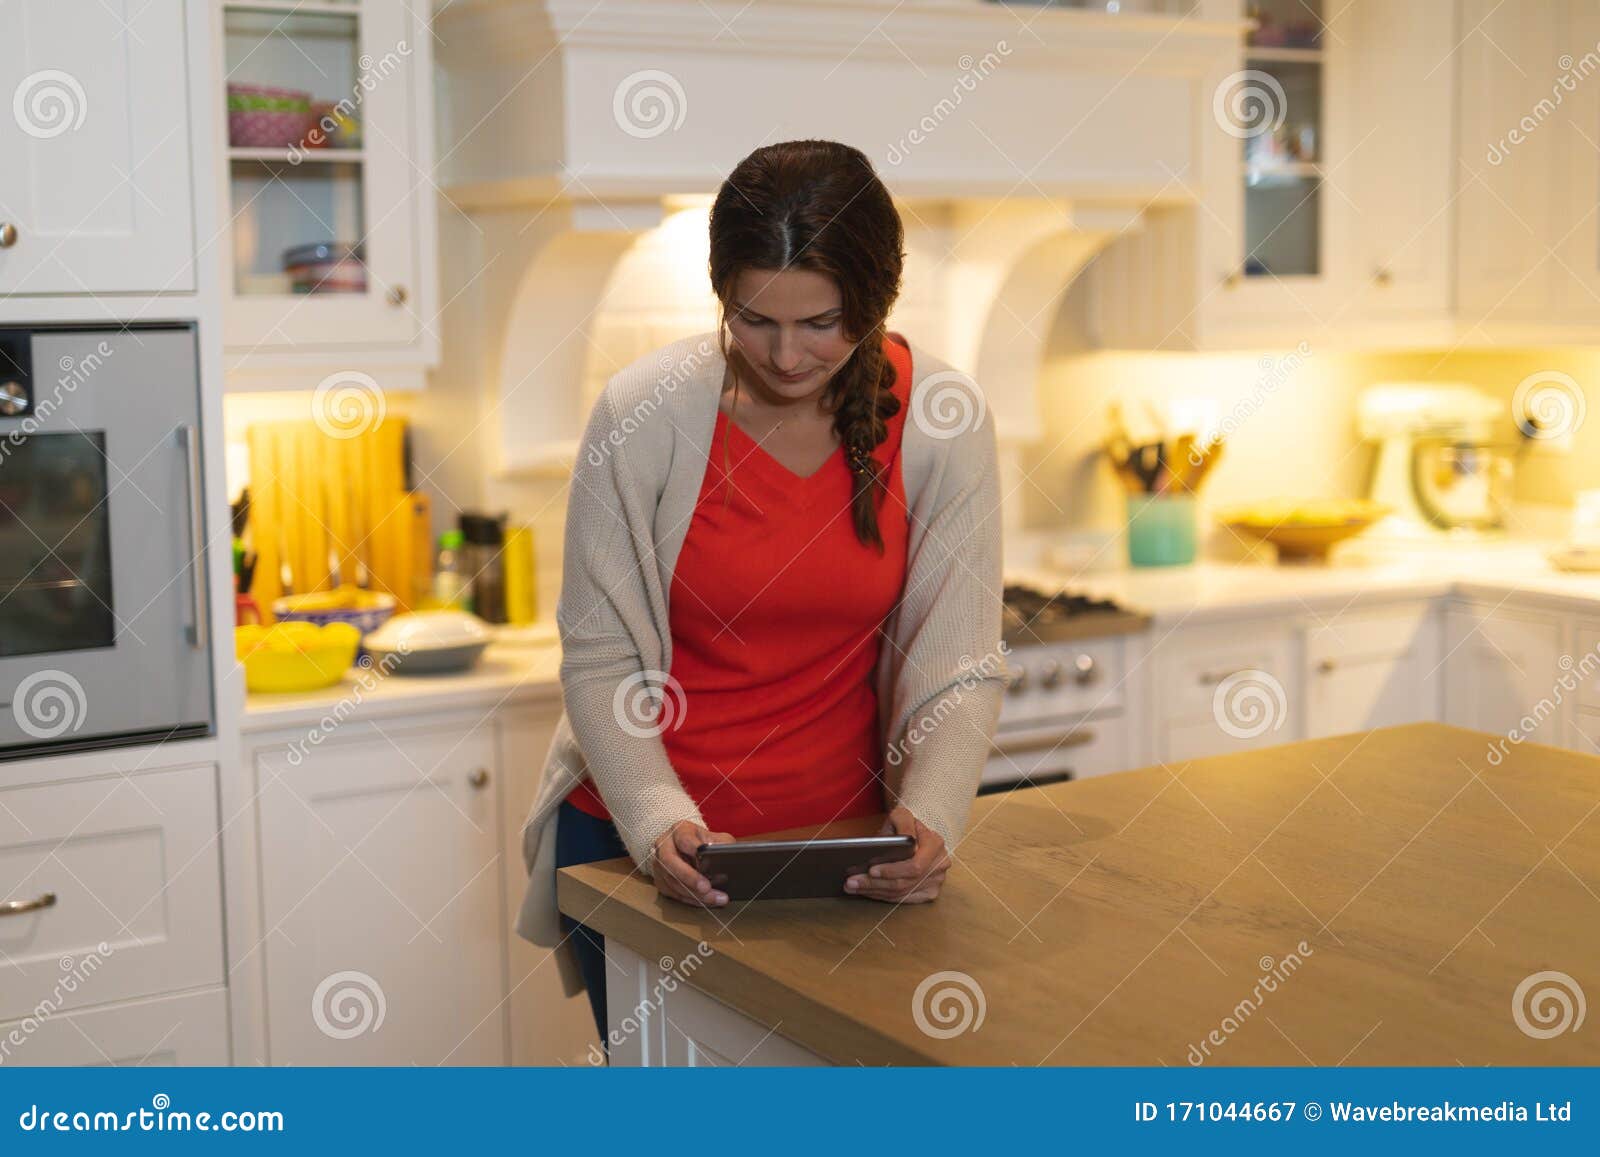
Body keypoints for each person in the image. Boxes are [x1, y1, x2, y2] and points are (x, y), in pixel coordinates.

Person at [513, 139, 1005, 1051]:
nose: (785, 355)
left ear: (875, 299)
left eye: (821, 323)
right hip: (640, 851)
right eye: (754, 319)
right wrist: (658, 822)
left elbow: (961, 658)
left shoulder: (942, 416)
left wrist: (931, 813)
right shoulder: (643, 412)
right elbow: (598, 656)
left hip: (840, 861)